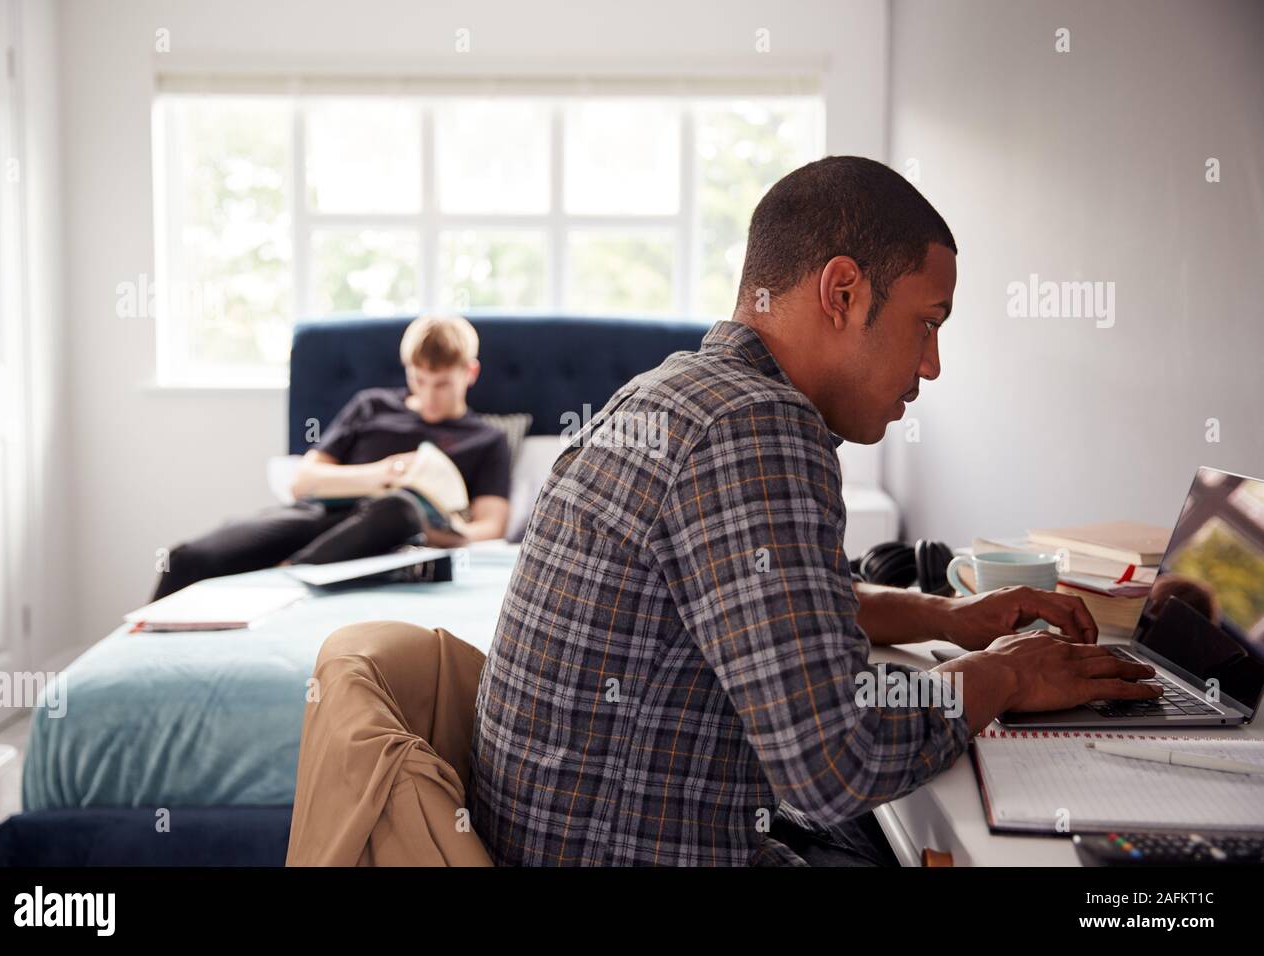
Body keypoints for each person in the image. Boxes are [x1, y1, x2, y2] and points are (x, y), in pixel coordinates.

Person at [470, 156, 1162, 866]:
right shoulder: (756, 426)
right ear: (842, 291)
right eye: (926, 323)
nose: (932, 365)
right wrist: (1009, 673)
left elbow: (770, 602)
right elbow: (838, 763)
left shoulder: (671, 392)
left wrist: (949, 617)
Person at [152, 314, 511, 600]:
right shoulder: (372, 405)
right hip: (317, 515)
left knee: (400, 508)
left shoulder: (487, 439)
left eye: (443, 384)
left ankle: (284, 579)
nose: (430, 396)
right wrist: (383, 473)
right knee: (187, 559)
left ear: (470, 372)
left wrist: (436, 530)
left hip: (392, 533)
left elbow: (491, 526)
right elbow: (303, 482)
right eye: (419, 380)